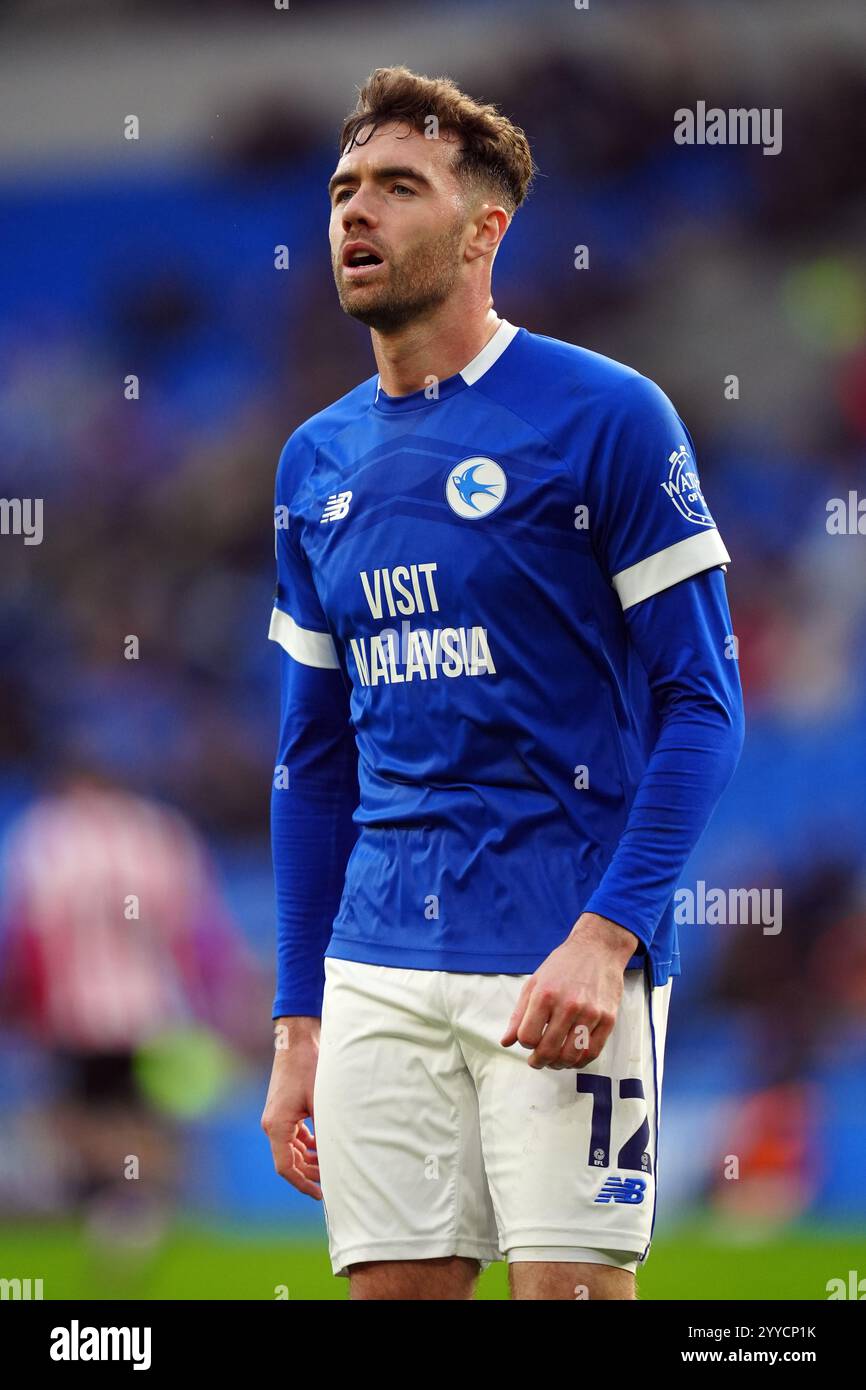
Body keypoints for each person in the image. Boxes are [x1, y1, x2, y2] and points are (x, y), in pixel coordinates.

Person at [261, 65, 744, 1301]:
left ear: (485, 230)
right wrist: (298, 1017)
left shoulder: (608, 418)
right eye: (342, 189)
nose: (353, 214)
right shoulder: (313, 462)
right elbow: (312, 758)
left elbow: (703, 702)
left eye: (396, 187)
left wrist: (607, 936)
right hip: (373, 962)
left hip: (556, 948)